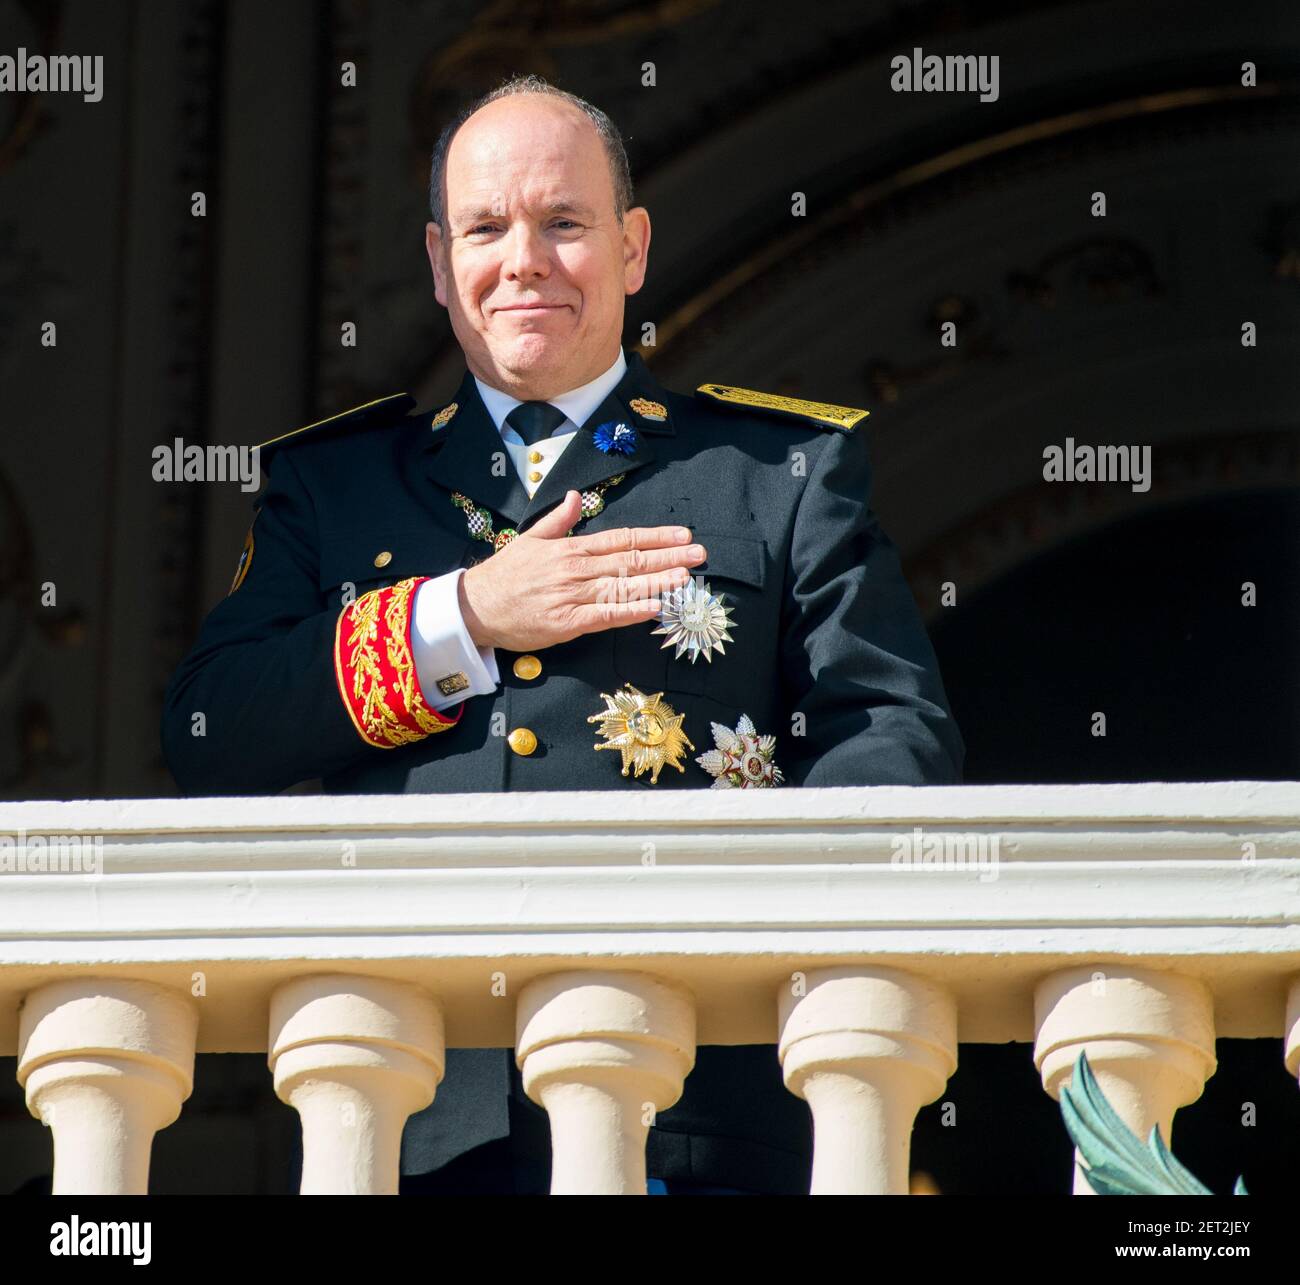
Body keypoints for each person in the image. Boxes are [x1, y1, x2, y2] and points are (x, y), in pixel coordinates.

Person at [161, 74, 963, 1195]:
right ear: (438, 261)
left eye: (564, 223)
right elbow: (211, 730)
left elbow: (888, 741)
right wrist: (466, 616)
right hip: (413, 1123)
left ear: (632, 249)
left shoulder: (776, 473)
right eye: (486, 227)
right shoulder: (335, 486)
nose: (524, 260)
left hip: (696, 1115)